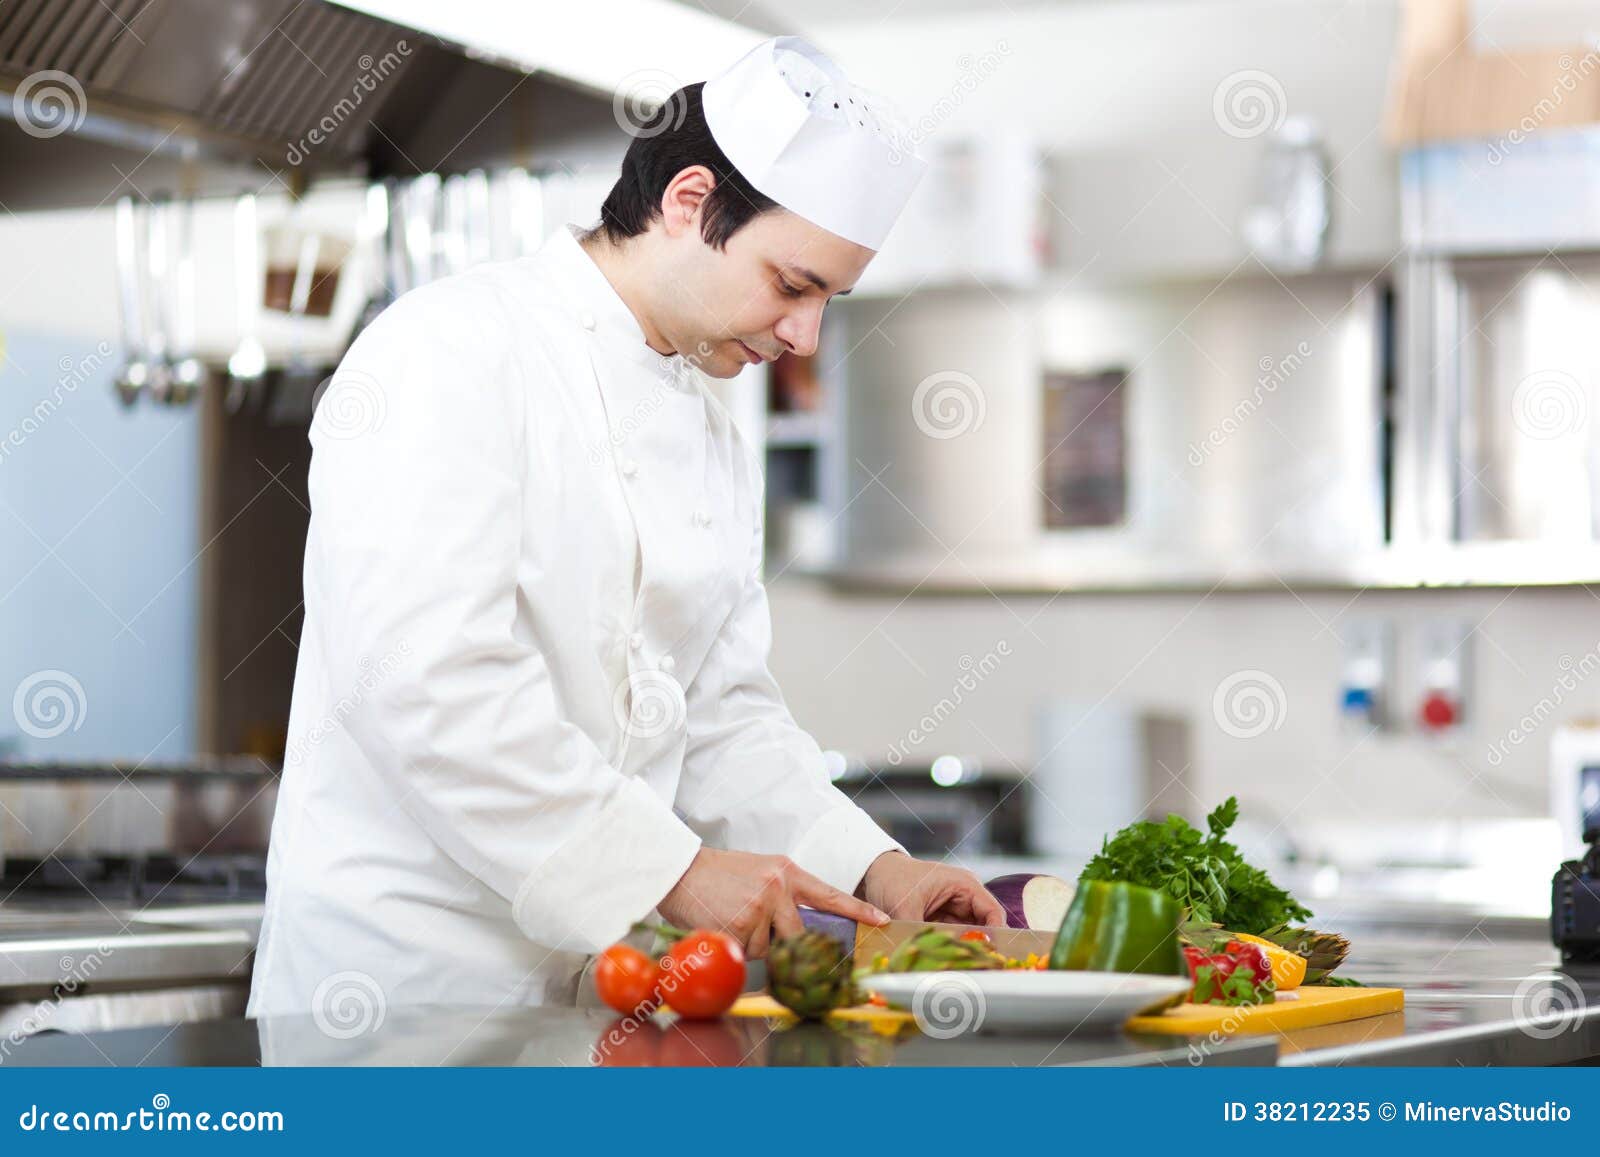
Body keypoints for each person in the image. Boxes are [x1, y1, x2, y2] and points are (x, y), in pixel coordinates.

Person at [248, 36, 1003, 1018]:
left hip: (598, 997)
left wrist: (873, 865)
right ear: (688, 203)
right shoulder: (447, 352)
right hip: (396, 999)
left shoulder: (710, 422)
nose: (805, 336)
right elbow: (425, 681)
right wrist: (676, 872)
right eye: (792, 283)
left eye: (829, 298)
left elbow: (719, 714)